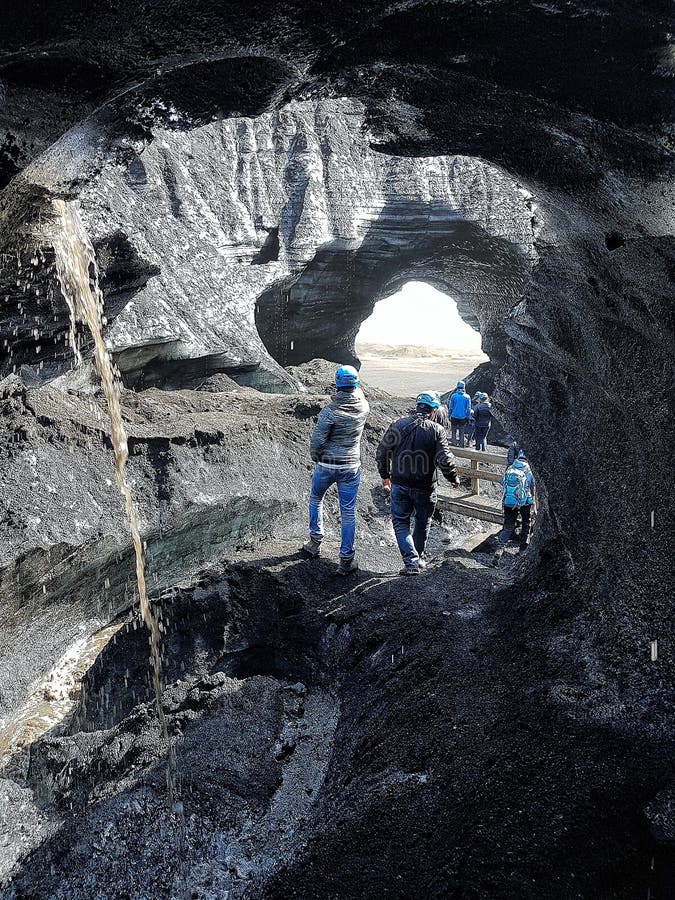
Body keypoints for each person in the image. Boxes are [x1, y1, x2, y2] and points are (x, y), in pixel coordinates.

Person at [376, 391, 460, 575]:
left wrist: (385, 475)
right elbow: (445, 460)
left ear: (417, 407)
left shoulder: (398, 425)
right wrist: (453, 478)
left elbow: (382, 452)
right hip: (425, 487)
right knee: (422, 522)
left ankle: (411, 562)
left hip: (399, 484)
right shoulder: (437, 430)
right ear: (433, 410)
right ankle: (418, 558)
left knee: (400, 523)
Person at [302, 364, 370, 576]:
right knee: (348, 511)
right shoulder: (363, 407)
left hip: (327, 464)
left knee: (316, 499)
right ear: (356, 385)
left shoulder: (330, 412)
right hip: (351, 466)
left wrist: (316, 457)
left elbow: (317, 440)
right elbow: (355, 392)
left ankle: (315, 543)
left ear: (337, 384)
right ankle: (346, 560)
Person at [491, 450, 535, 567]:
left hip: (508, 502)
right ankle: (523, 550)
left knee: (508, 527)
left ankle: (499, 550)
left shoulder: (511, 467)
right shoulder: (528, 470)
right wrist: (533, 502)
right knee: (526, 523)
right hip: (525, 502)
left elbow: (501, 481)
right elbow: (532, 484)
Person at [447, 380, 472, 447]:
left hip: (454, 416)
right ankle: (461, 444)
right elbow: (468, 408)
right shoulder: (467, 397)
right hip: (463, 417)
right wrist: (468, 417)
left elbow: (451, 407)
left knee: (454, 431)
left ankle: (454, 443)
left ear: (457, 387)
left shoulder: (453, 396)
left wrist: (448, 415)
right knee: (462, 432)